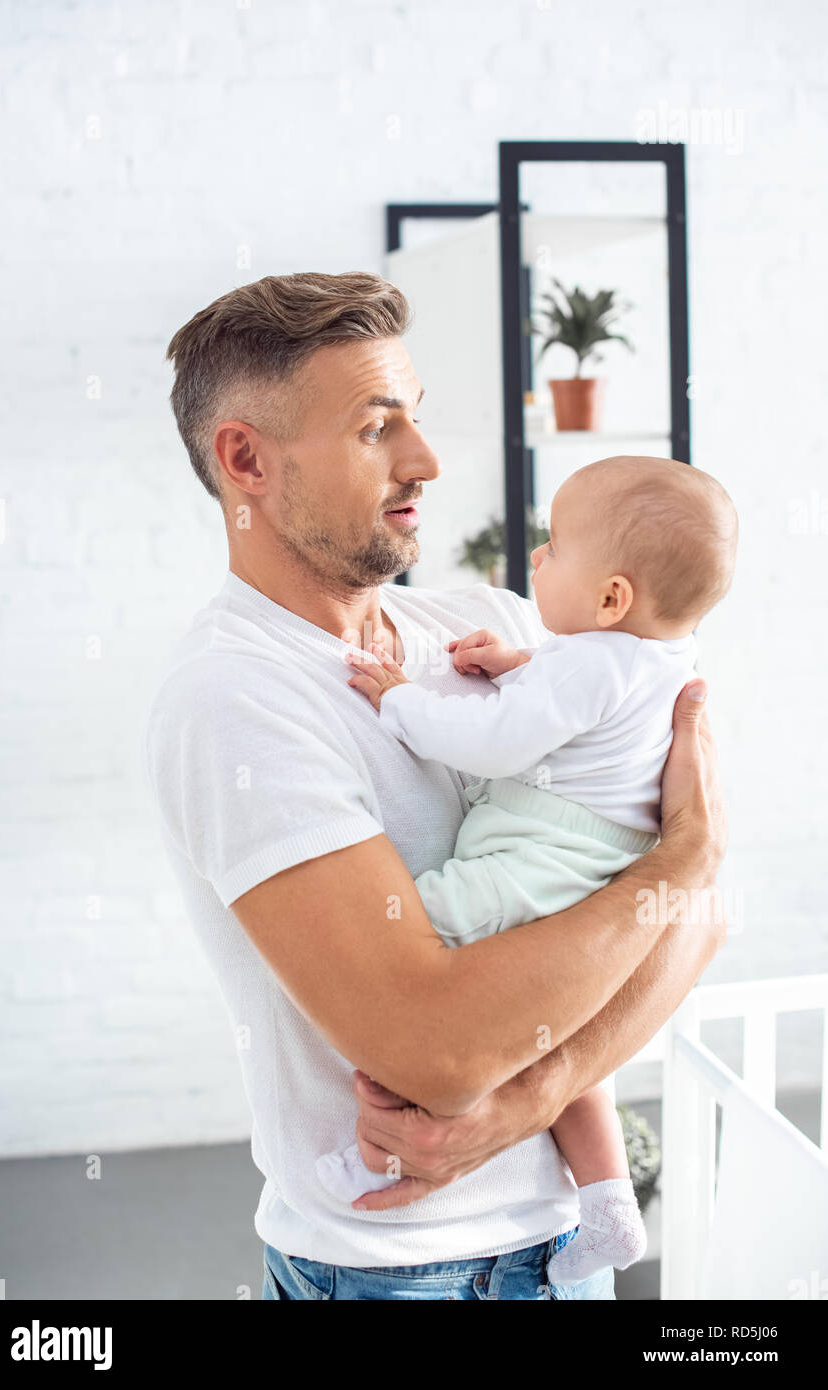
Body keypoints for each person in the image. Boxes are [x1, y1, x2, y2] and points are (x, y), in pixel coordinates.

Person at [145, 271, 727, 1301]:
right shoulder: (236, 699)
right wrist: (687, 854)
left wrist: (534, 1094)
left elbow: (701, 922)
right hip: (405, 1271)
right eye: (377, 428)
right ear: (246, 460)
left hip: (556, 1247)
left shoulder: (493, 627)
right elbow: (438, 1054)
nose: (427, 459)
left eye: (415, 417)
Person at [316, 454, 737, 1287]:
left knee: (415, 946)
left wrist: (399, 696)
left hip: (543, 853)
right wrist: (516, 668)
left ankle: (384, 1159)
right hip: (606, 865)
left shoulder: (588, 661)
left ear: (612, 598)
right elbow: (595, 714)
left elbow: (496, 742)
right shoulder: (657, 659)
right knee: (563, 1034)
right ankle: (610, 1203)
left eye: (554, 545)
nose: (537, 558)